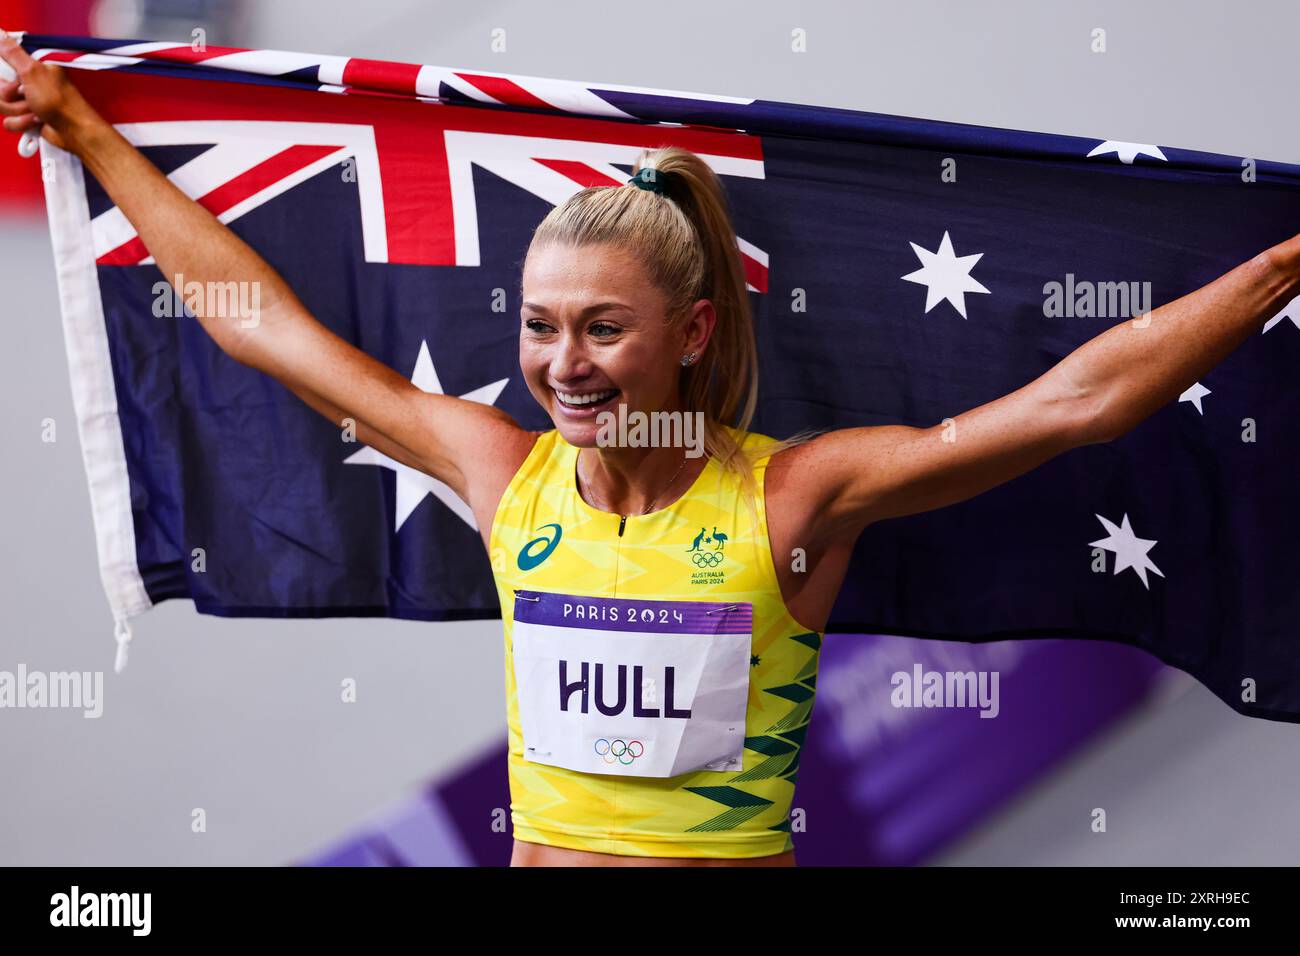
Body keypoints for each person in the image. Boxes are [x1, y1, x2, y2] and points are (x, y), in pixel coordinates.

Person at [3, 35, 1298, 867]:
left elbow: (1076, 403)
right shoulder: (500, 473)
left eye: (604, 330)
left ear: (687, 332)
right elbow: (263, 331)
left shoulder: (795, 496)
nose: (564, 364)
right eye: (542, 327)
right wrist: (92, 133)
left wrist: (1287, 264)